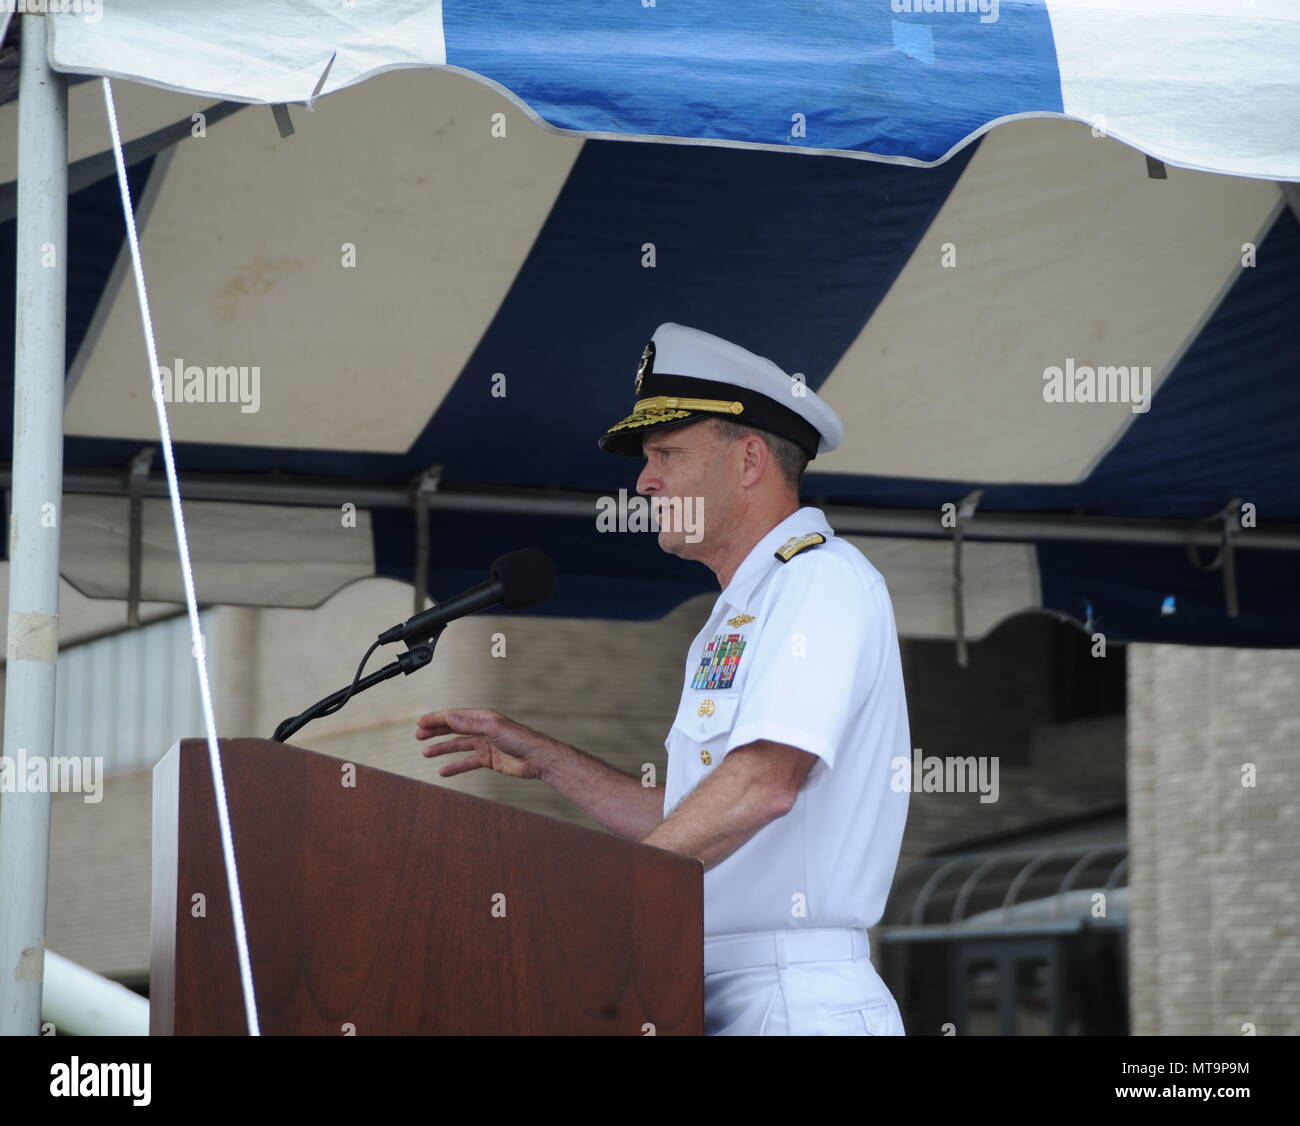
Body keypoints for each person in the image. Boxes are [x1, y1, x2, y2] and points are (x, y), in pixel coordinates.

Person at [415, 323, 911, 1035]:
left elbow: (763, 785)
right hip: (711, 981)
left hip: (793, 996)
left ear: (747, 461)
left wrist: (594, 902)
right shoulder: (737, 612)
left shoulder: (820, 580)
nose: (645, 481)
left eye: (667, 453)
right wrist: (552, 760)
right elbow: (692, 816)